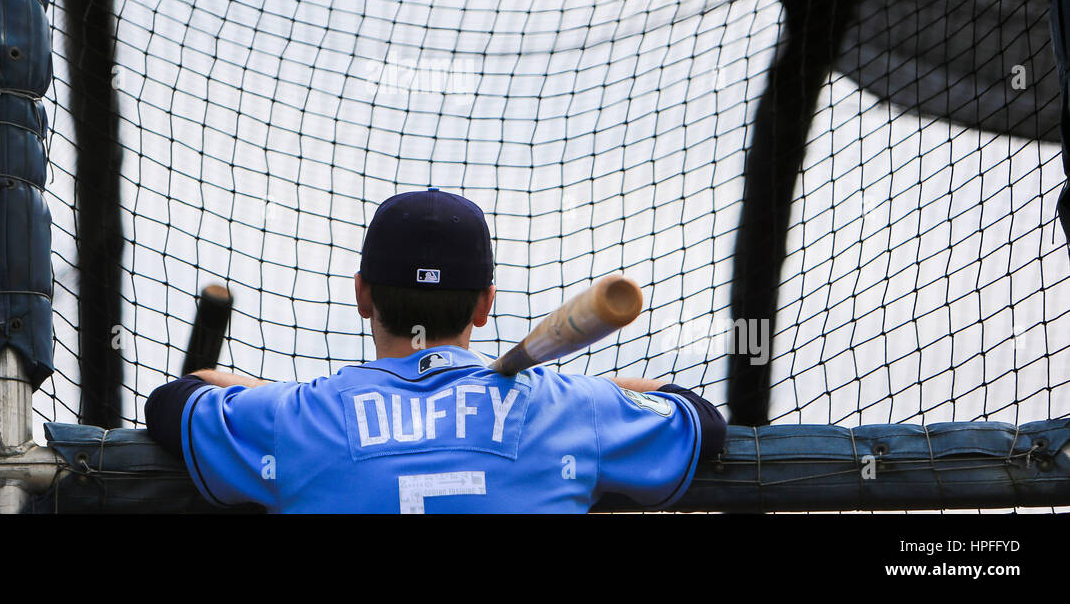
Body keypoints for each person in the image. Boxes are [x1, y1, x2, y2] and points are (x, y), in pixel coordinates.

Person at [146, 187, 725, 512]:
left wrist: (260, 393)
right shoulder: (569, 408)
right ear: (485, 304)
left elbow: (171, 403)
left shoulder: (298, 417)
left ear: (363, 295)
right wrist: (611, 391)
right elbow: (703, 423)